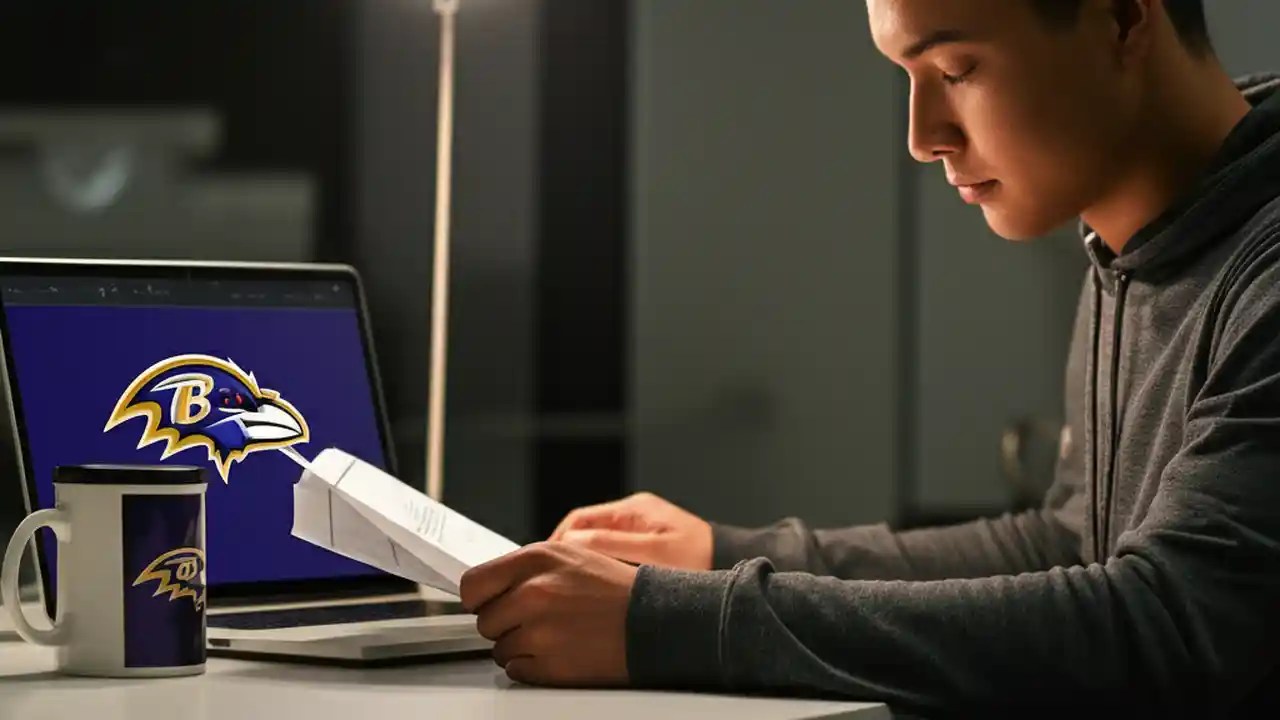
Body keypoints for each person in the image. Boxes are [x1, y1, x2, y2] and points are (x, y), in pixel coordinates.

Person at [458, 0, 1280, 714]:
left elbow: (1170, 626)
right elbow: (1068, 544)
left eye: (956, 68)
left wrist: (674, 621)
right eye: (906, 75)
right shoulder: (1132, 248)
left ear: (1125, 18)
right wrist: (726, 552)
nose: (922, 137)